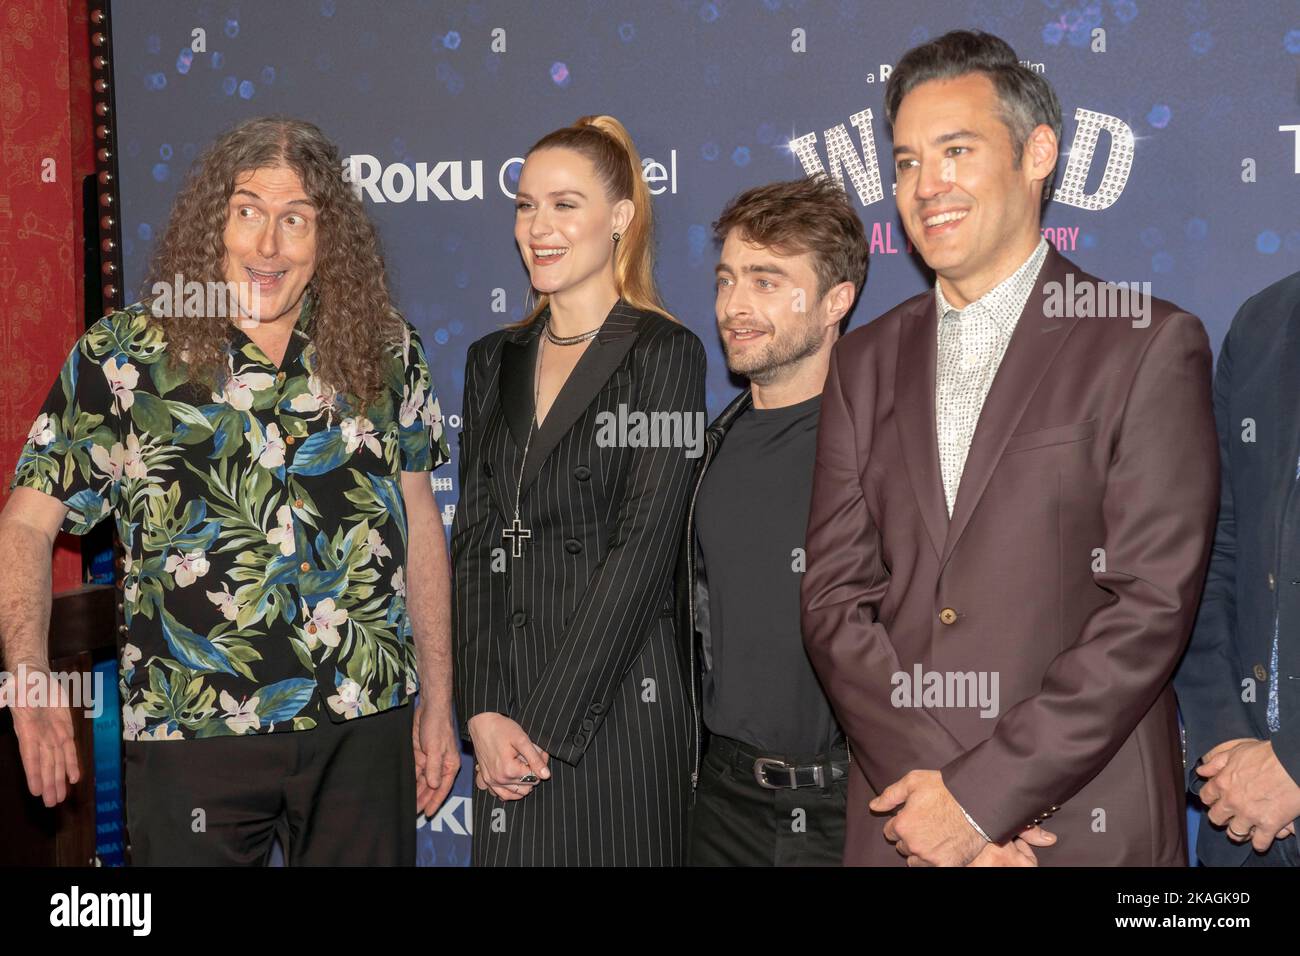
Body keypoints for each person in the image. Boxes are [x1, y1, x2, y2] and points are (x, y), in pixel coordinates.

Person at [800, 30, 1218, 866]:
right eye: (909, 161)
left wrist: (986, 797)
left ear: (1038, 155)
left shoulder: (1144, 342)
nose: (927, 186)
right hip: (906, 819)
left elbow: (1148, 608)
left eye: (957, 150)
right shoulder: (862, 360)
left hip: (1083, 822)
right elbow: (833, 603)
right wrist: (942, 800)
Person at [0, 116, 458, 865]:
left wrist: (439, 696)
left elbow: (419, 518)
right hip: (194, 738)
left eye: (295, 219)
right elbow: (24, 526)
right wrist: (28, 680)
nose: (267, 246)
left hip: (363, 723)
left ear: (328, 237)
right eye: (247, 211)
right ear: (214, 221)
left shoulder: (385, 348)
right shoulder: (126, 355)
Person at [451, 115, 706, 865]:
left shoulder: (665, 354)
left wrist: (544, 729)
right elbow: (473, 541)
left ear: (620, 217)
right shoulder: (491, 358)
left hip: (618, 716)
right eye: (526, 205)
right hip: (504, 728)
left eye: (565, 204)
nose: (539, 226)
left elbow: (644, 551)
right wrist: (484, 712)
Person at [684, 175, 864, 866]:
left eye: (766, 281)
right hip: (720, 803)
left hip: (851, 807)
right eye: (728, 279)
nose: (735, 305)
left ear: (834, 301)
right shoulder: (706, 452)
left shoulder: (883, 449)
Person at [1175, 271, 1300, 866]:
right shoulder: (1264, 321)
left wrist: (1294, 765)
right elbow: (1217, 551)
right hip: (1244, 828)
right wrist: (1223, 743)